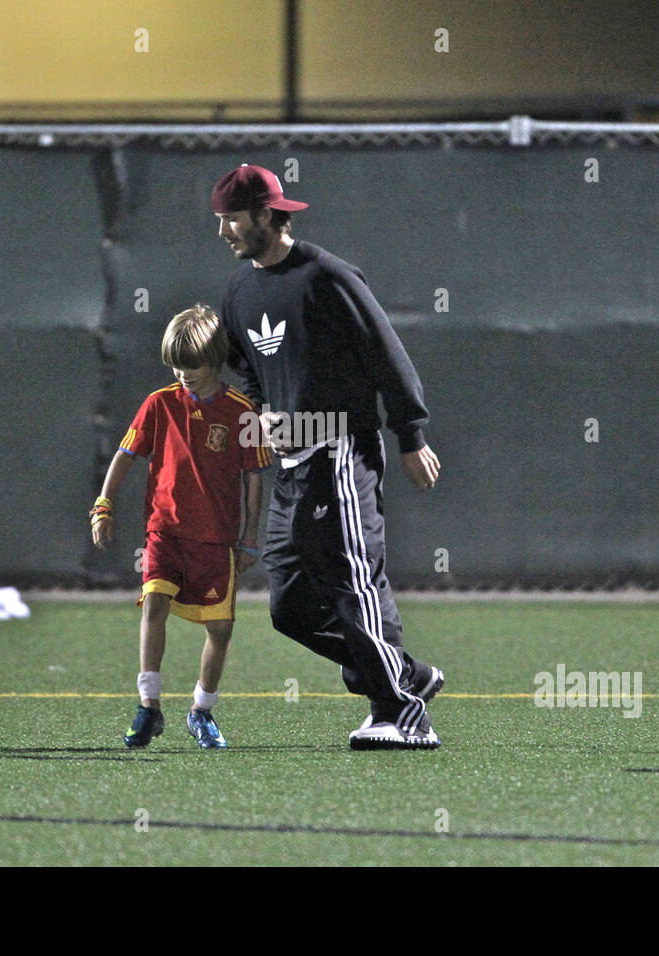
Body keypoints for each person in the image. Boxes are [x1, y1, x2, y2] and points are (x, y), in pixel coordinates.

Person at [211, 163, 445, 750]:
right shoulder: (240, 289)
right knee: (289, 607)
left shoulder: (326, 277)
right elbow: (245, 366)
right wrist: (261, 408)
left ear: (267, 215)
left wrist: (410, 435)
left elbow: (386, 354)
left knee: (353, 580)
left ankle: (401, 709)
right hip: (290, 464)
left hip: (340, 447)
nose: (224, 232)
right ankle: (402, 672)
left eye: (232, 219)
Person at [91, 304, 268, 749]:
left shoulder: (241, 411)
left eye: (193, 366)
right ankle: (148, 708)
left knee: (221, 629)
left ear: (215, 361)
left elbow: (253, 476)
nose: (183, 373)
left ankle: (201, 710)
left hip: (216, 540)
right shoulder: (159, 403)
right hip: (164, 532)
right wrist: (103, 504)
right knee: (154, 604)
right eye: (176, 364)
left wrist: (249, 537)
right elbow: (126, 455)